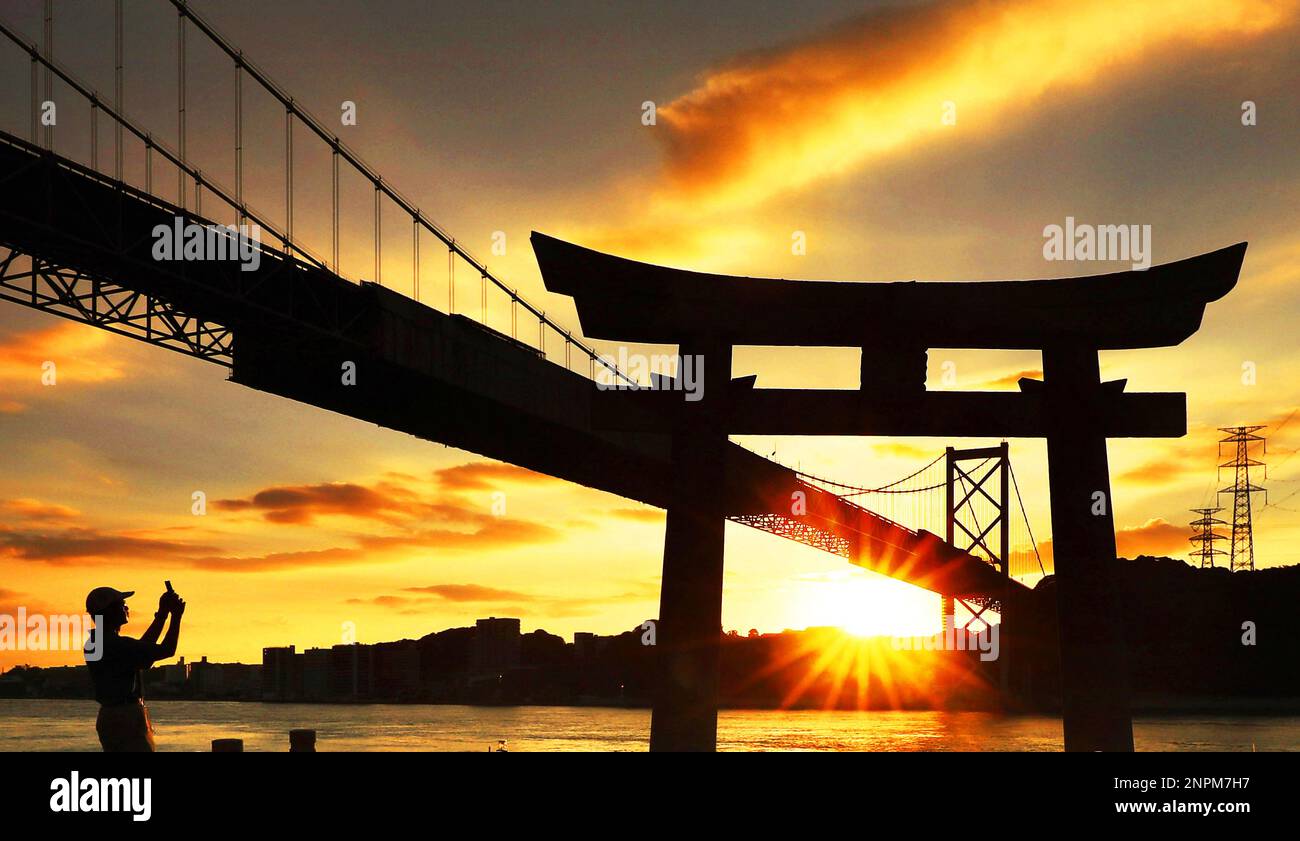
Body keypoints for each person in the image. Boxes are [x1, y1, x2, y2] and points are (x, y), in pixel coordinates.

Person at [84, 585, 185, 752]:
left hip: (115, 714)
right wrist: (176, 616)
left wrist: (162, 615)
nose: (126, 608)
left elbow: (142, 651)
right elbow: (166, 650)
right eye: (121, 604)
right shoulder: (113, 644)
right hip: (125, 716)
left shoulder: (99, 642)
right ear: (109, 612)